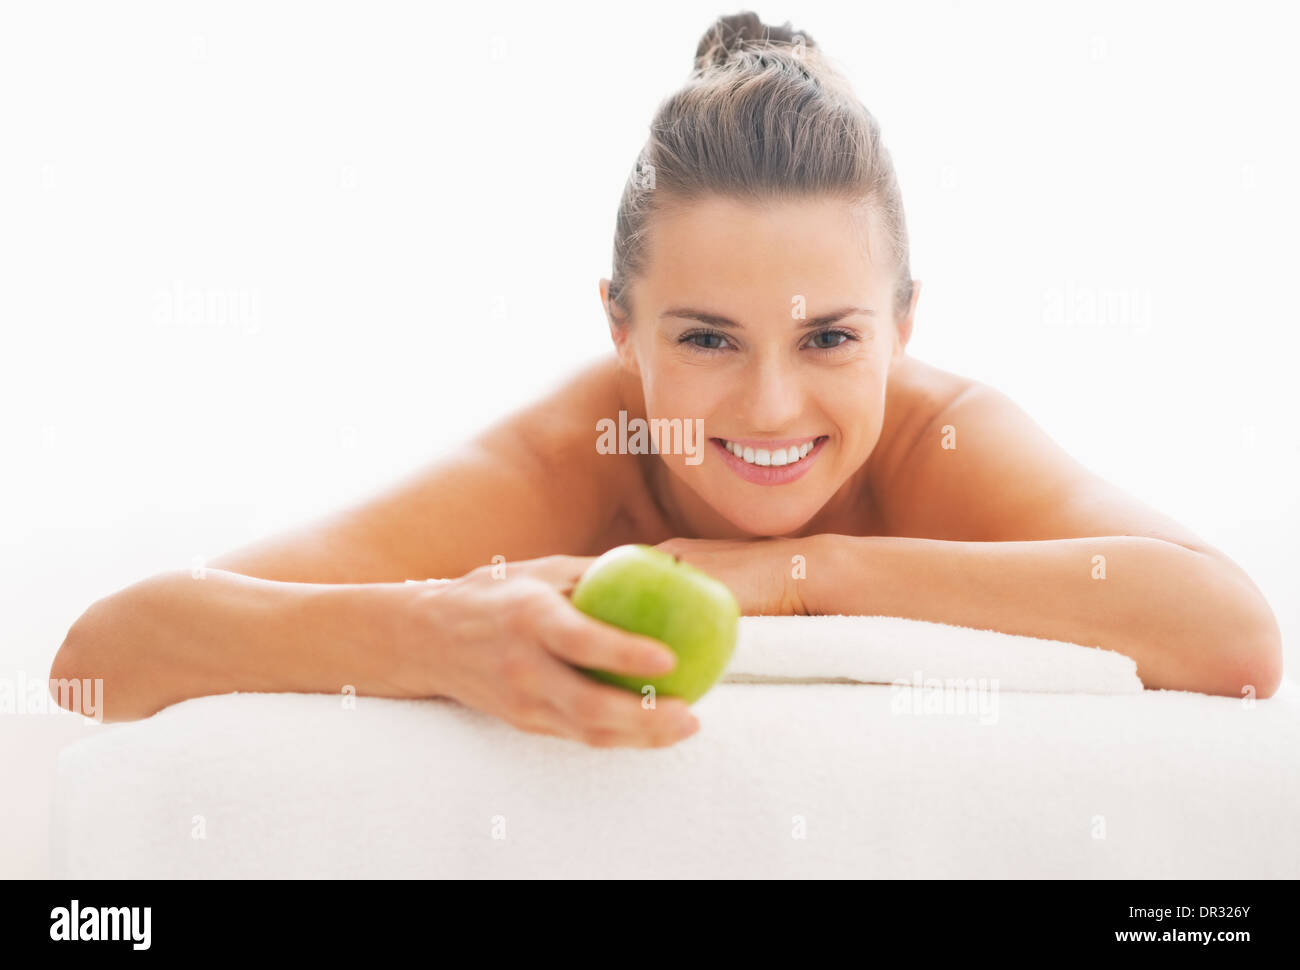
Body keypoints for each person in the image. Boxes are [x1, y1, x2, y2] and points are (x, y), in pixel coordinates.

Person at [50, 12, 1283, 746]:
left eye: (829, 339)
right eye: (702, 339)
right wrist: (431, 629)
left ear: (905, 328)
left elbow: (1231, 639)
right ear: (619, 330)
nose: (768, 407)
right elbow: (105, 654)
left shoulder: (943, 432)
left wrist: (796, 577)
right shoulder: (558, 457)